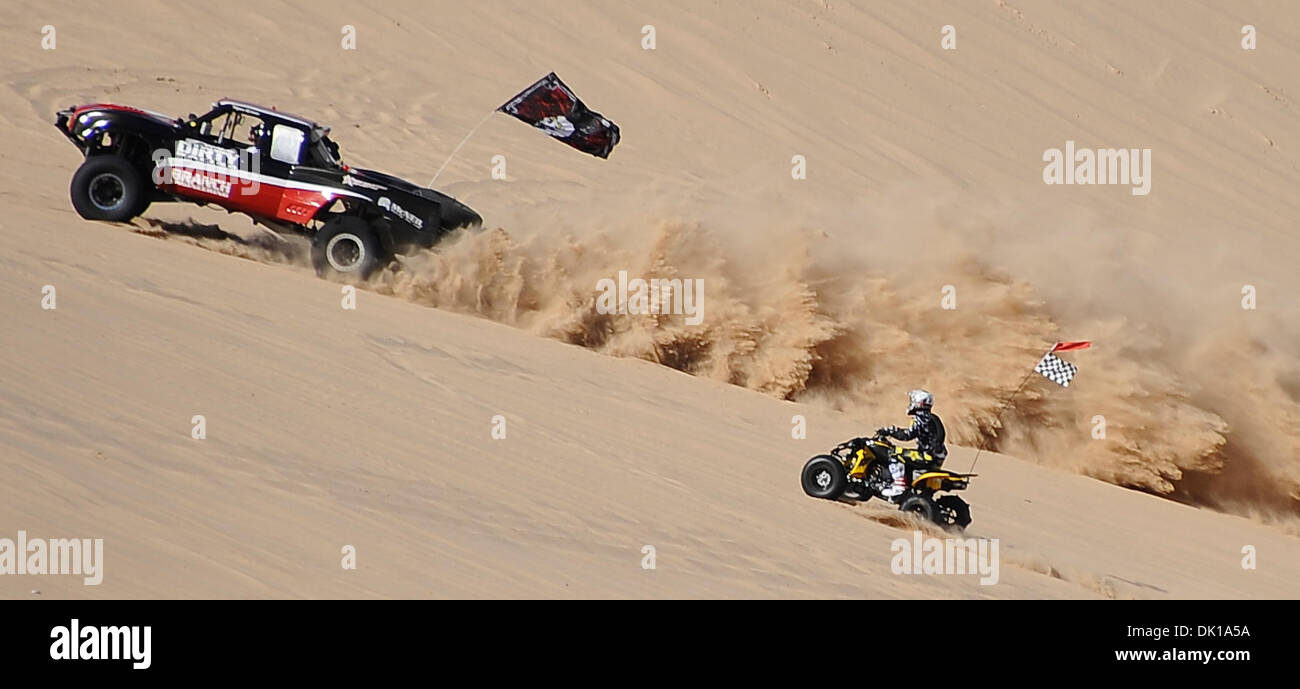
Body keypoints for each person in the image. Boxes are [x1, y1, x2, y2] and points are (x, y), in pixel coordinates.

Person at [875, 389, 947, 498]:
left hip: (926, 456)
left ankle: (899, 486)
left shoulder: (920, 418)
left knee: (894, 454)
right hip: (937, 457)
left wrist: (890, 430)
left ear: (918, 402)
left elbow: (907, 435)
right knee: (907, 456)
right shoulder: (934, 418)